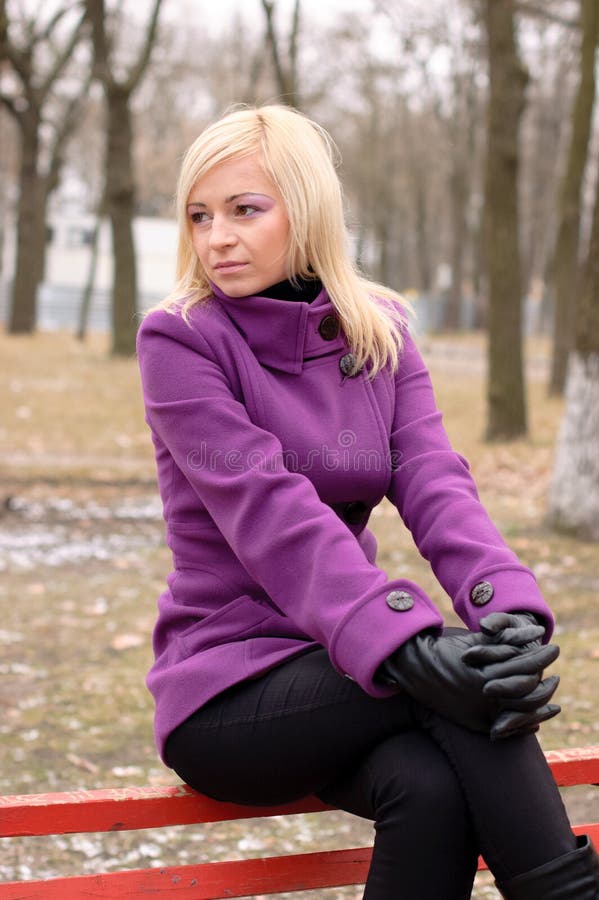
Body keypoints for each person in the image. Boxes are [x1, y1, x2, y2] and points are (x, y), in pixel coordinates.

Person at [136, 104, 599, 899]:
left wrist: (505, 611)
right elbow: (270, 513)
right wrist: (410, 650)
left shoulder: (377, 334)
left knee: (431, 789)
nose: (216, 238)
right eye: (199, 215)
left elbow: (435, 482)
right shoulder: (181, 339)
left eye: (245, 210)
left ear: (307, 210)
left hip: (348, 660)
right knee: (465, 701)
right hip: (227, 686)